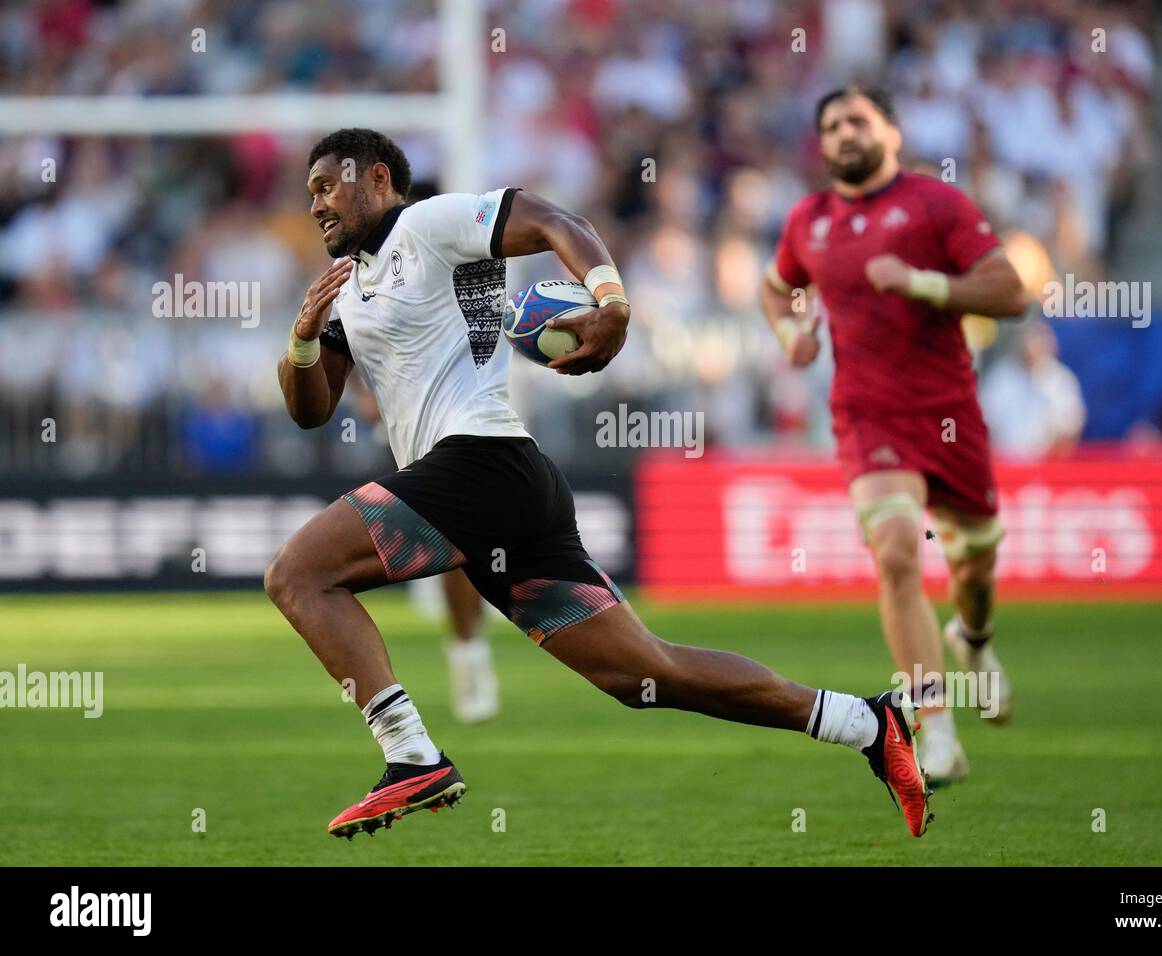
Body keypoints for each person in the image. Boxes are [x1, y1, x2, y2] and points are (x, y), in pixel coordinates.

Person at [266, 127, 932, 839]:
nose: (315, 205)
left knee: (298, 576)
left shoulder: (428, 223)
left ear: (375, 179)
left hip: (479, 463)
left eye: (326, 186)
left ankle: (411, 754)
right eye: (308, 193)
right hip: (506, 487)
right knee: (645, 675)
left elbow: (560, 222)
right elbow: (311, 411)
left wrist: (611, 303)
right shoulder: (348, 288)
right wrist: (304, 338)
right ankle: (865, 722)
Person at [761, 87, 1030, 785]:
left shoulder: (940, 205)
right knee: (899, 552)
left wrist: (921, 282)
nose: (843, 133)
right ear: (820, 146)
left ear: (892, 132)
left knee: (974, 564)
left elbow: (1011, 293)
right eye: (830, 126)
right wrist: (791, 331)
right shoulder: (808, 221)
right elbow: (773, 287)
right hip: (867, 417)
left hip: (950, 415)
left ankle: (972, 638)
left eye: (857, 120)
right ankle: (934, 729)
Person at [980, 318, 1086, 460]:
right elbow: (983, 425)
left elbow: (1071, 429)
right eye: (1031, 338)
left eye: (1041, 338)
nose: (1035, 345)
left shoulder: (1060, 379)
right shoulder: (1001, 377)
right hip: (1004, 468)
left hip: (1047, 470)